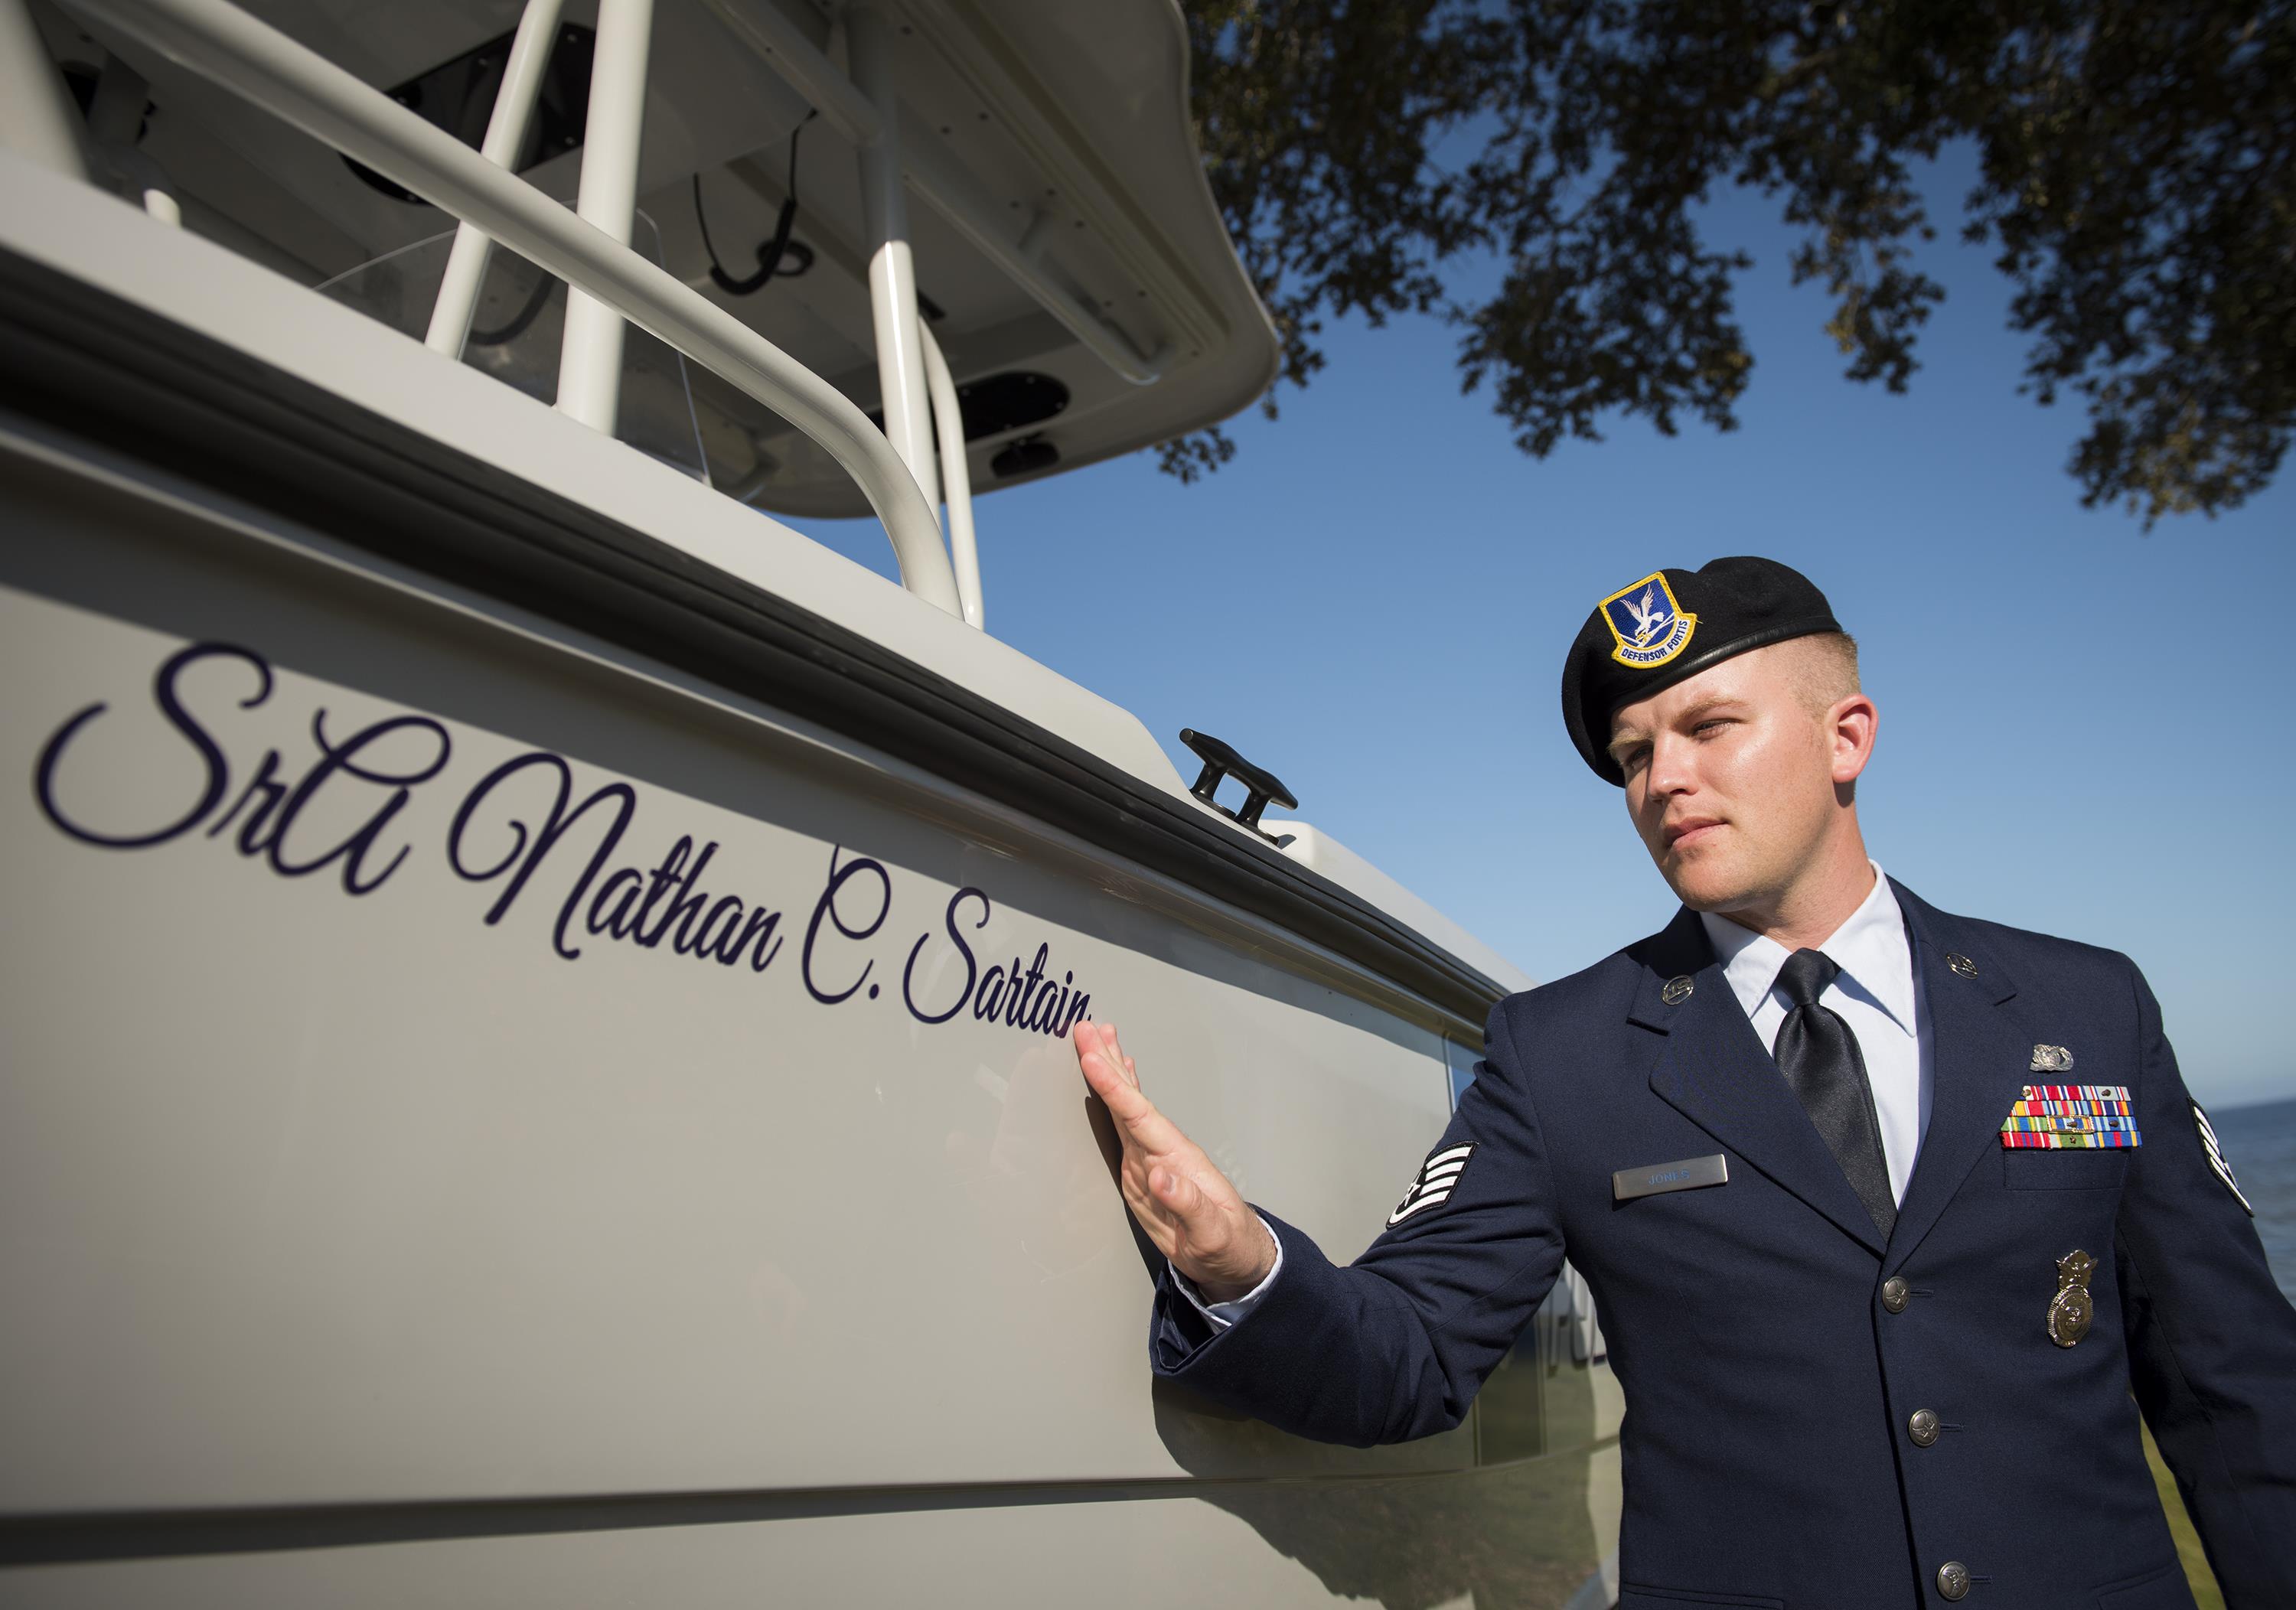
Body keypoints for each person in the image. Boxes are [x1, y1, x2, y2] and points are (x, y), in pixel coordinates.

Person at [1073, 556, 2296, 1610]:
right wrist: (1242, 1268)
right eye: (1633, 754)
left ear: (1846, 735)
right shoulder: (1561, 1055)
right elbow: (1414, 1353)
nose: (1662, 782)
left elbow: (2236, 1386)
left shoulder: (2088, 1008)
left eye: (1711, 729)